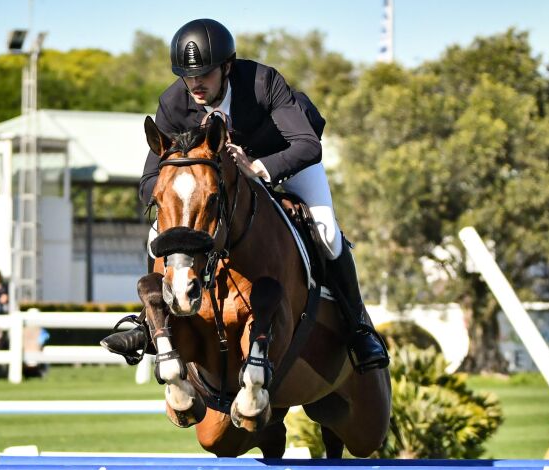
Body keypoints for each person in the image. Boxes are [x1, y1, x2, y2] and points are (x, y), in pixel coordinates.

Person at [100, 18, 388, 372]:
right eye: (188, 76)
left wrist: (258, 168)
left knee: (327, 233)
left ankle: (358, 327)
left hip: (285, 161)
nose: (195, 84)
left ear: (227, 67)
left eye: (204, 74)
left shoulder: (263, 83)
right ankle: (149, 324)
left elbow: (307, 145)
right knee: (155, 236)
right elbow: (149, 182)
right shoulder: (174, 104)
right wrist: (178, 187)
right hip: (223, 185)